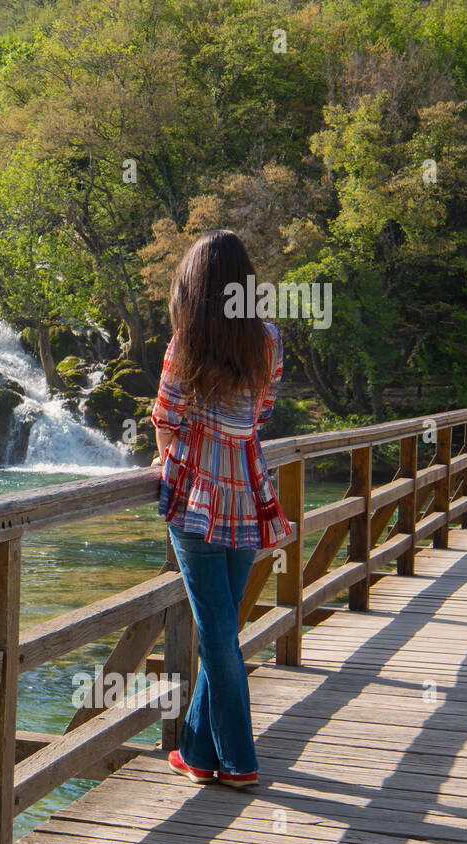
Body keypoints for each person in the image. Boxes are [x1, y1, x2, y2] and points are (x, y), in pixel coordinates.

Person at [150, 229, 292, 789]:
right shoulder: (269, 341)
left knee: (215, 636)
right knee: (222, 630)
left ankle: (239, 760)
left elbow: (166, 419)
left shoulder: (187, 343)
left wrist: (172, 458)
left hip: (196, 503)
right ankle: (198, 754)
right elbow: (262, 415)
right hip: (249, 494)